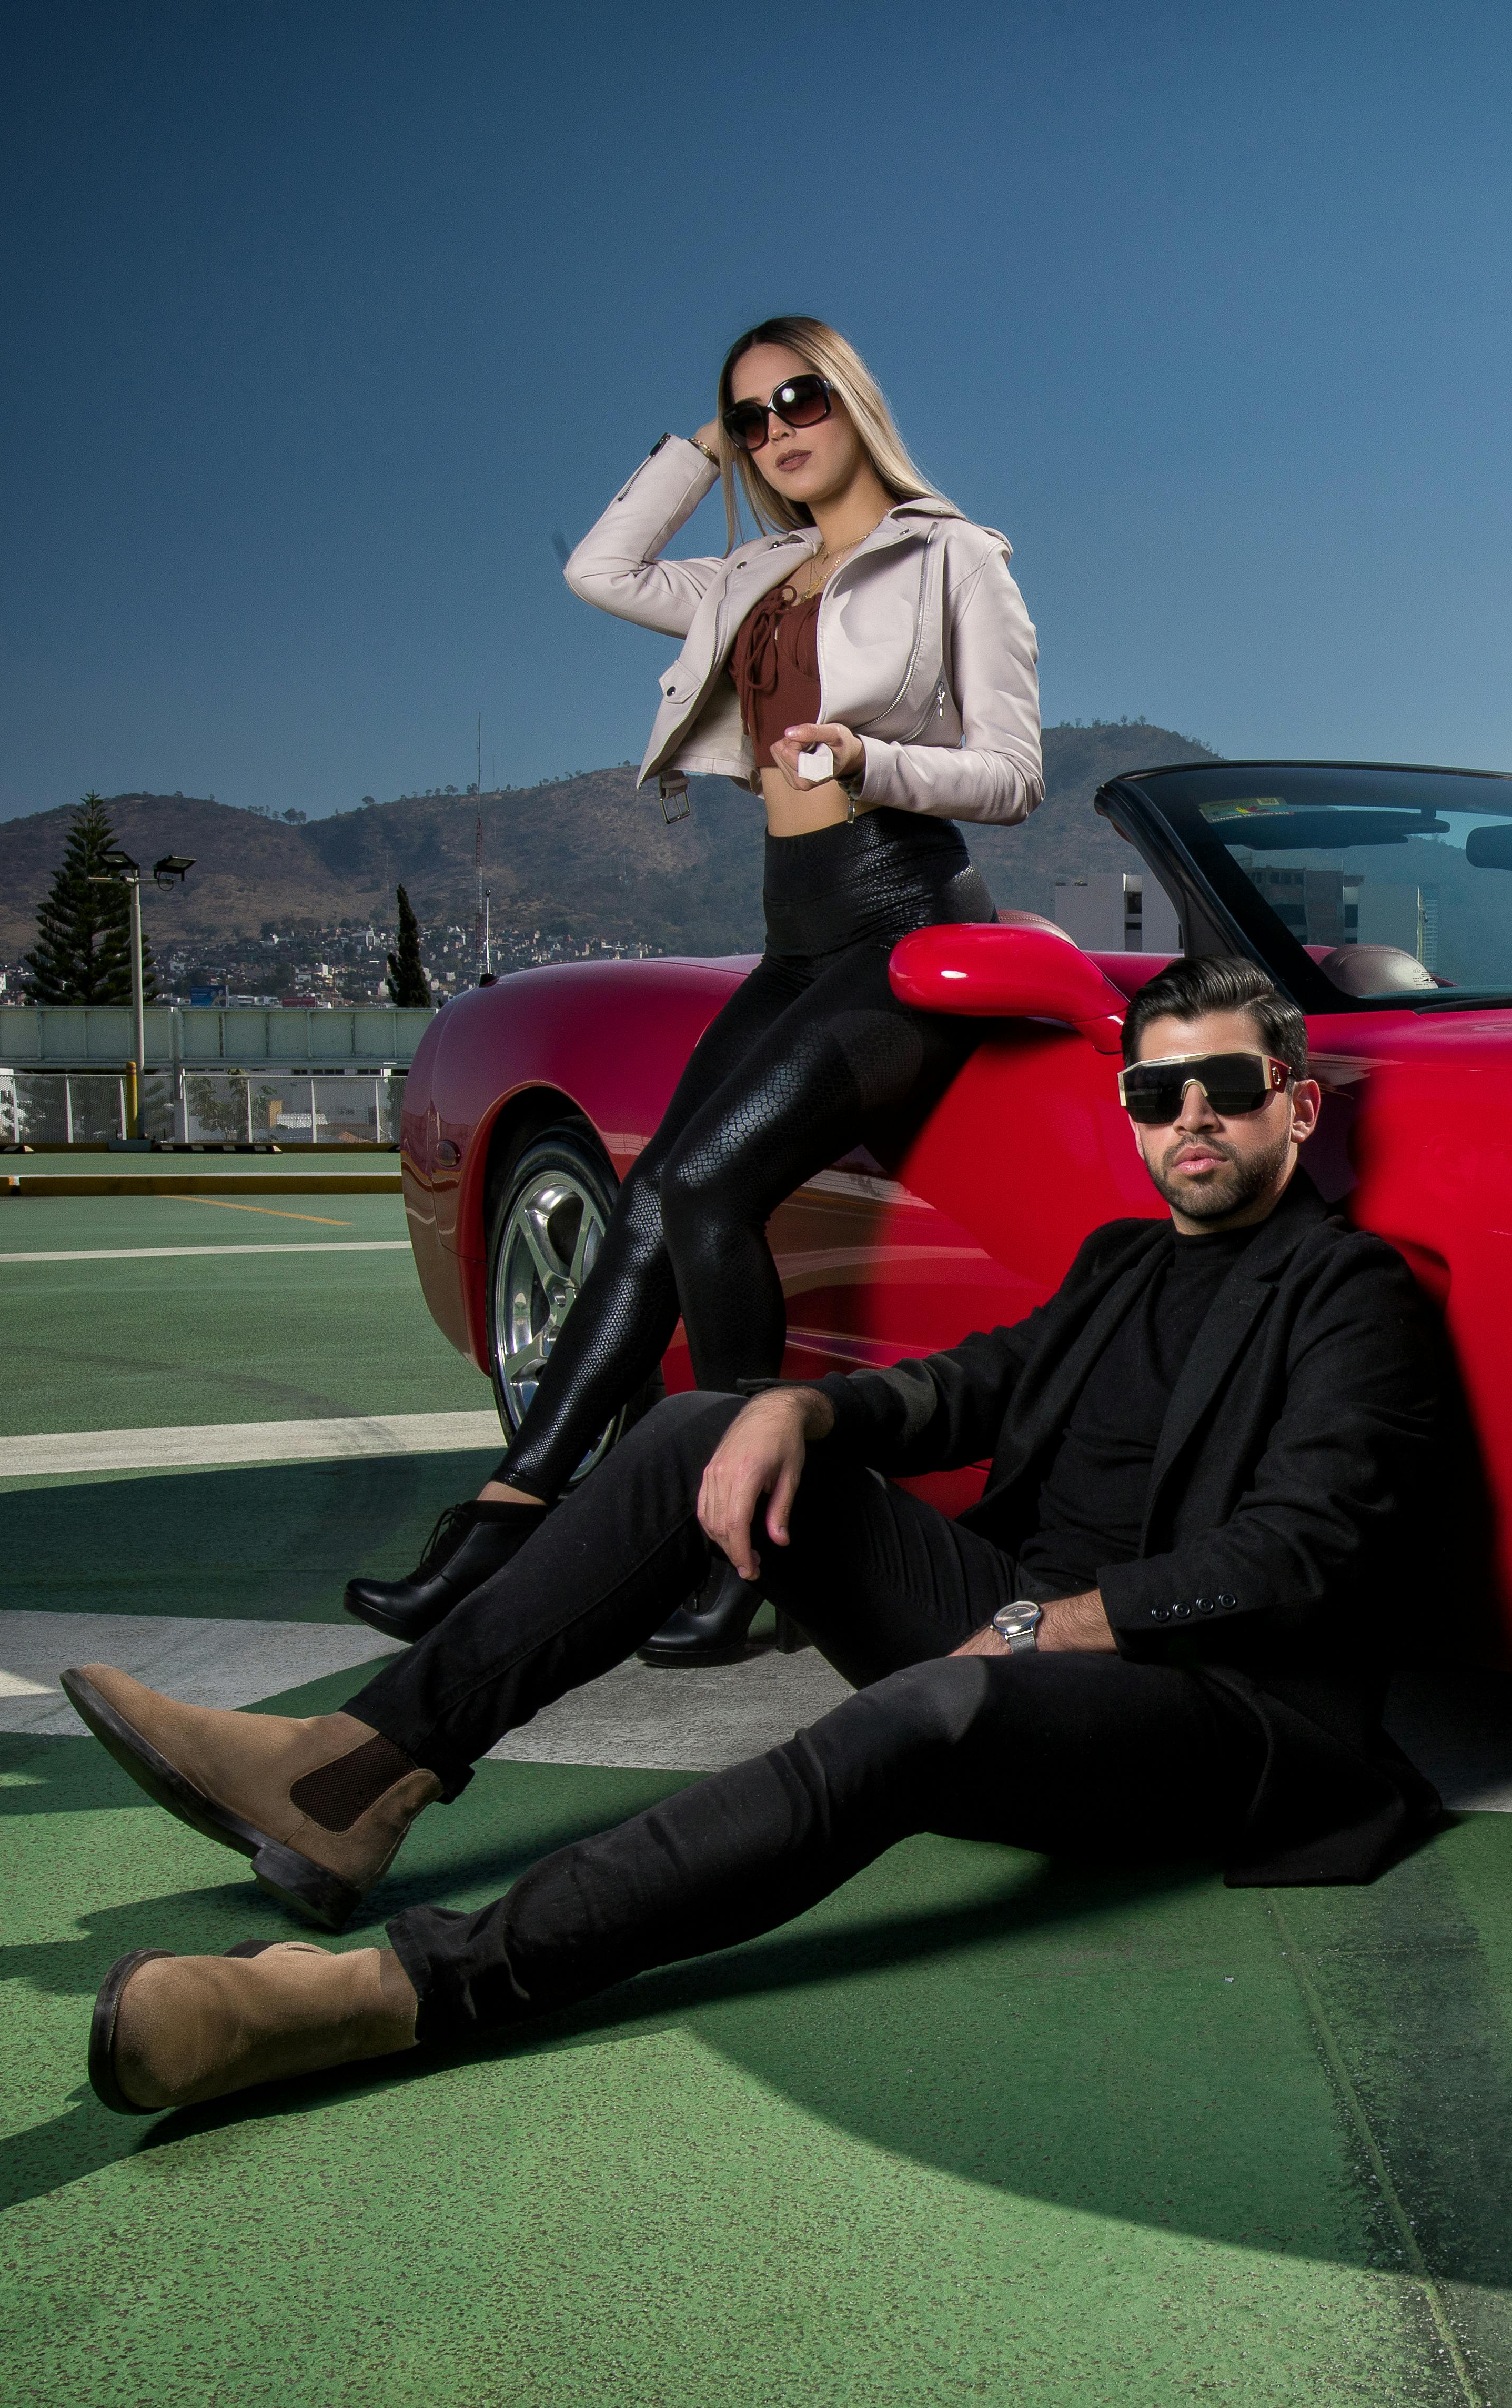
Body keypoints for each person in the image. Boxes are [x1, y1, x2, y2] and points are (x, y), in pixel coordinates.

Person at [68, 958, 1450, 2114]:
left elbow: (1297, 1554)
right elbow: (972, 1383)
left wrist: (1051, 1628)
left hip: (1198, 1710)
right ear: (1134, 1116)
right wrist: (803, 1411)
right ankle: (349, 1780)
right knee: (697, 1431)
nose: (1192, 1117)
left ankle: (396, 1993)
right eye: (1160, 1092)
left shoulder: (1352, 1293)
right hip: (1019, 1617)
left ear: (1298, 1105)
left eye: (1229, 1089)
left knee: (931, 1711)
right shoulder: (1123, 1263)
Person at [349, 313, 1046, 1667]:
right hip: (796, 937)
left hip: (904, 930)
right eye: (750, 418)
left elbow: (1013, 772)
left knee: (711, 1190)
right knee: (655, 1193)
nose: (780, 430)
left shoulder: (956, 554)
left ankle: (738, 1547)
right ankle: (516, 1504)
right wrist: (692, 445)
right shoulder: (752, 574)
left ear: (853, 400)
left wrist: (869, 755)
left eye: (800, 400)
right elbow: (600, 568)